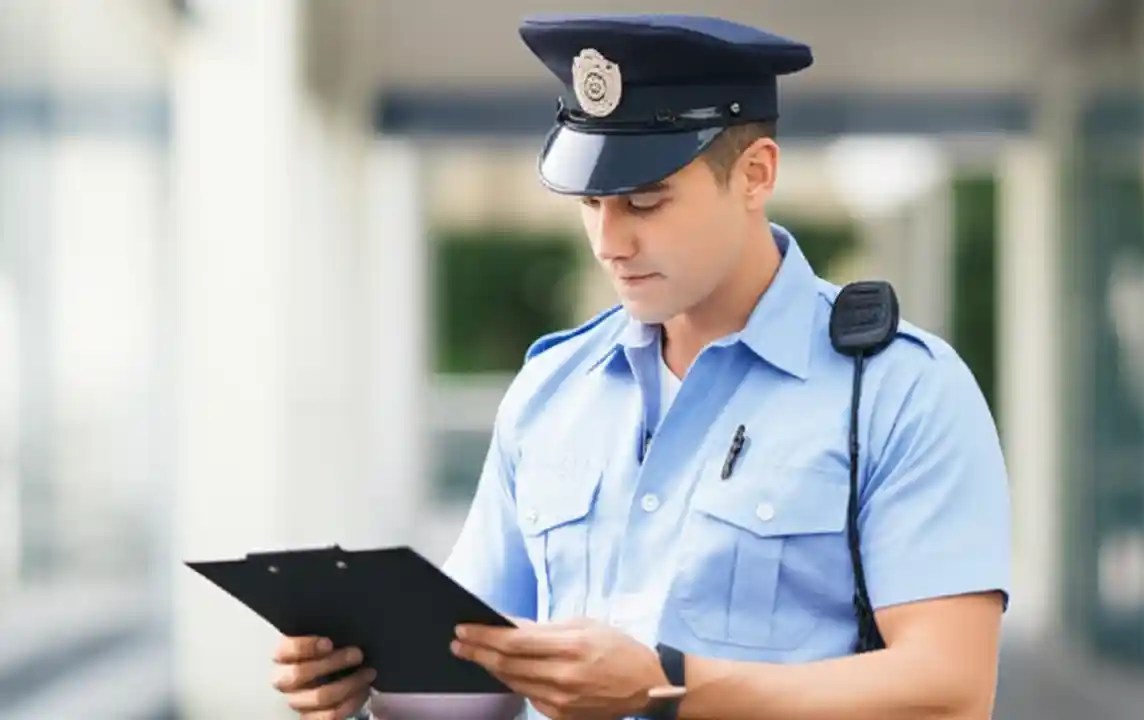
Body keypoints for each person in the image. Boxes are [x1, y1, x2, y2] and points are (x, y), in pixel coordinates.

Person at [269, 13, 1012, 720]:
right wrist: (363, 682)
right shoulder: (551, 392)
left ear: (755, 174)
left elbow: (950, 693)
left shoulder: (897, 391)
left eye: (645, 202)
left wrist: (670, 689)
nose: (608, 241)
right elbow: (474, 677)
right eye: (591, 203)